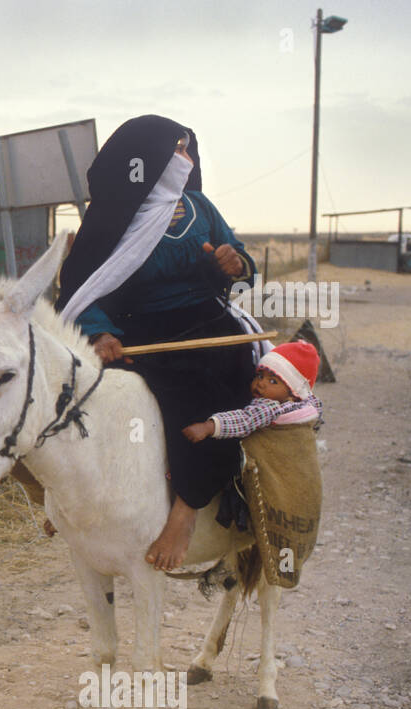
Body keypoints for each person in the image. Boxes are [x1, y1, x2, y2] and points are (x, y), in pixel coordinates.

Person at [56, 115, 263, 571]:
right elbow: (83, 284)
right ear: (147, 161)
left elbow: (238, 255)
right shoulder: (113, 216)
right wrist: (99, 331)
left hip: (207, 318)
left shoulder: (199, 206)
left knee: (236, 370)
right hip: (142, 327)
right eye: (179, 149)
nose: (188, 159)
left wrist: (233, 262)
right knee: (167, 388)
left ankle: (195, 505)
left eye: (189, 149)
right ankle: (71, 501)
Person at [183, 341, 323, 442]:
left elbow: (245, 420)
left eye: (273, 381)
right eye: (260, 375)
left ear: (293, 392)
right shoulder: (311, 403)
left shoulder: (270, 408)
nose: (261, 383)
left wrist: (209, 427)